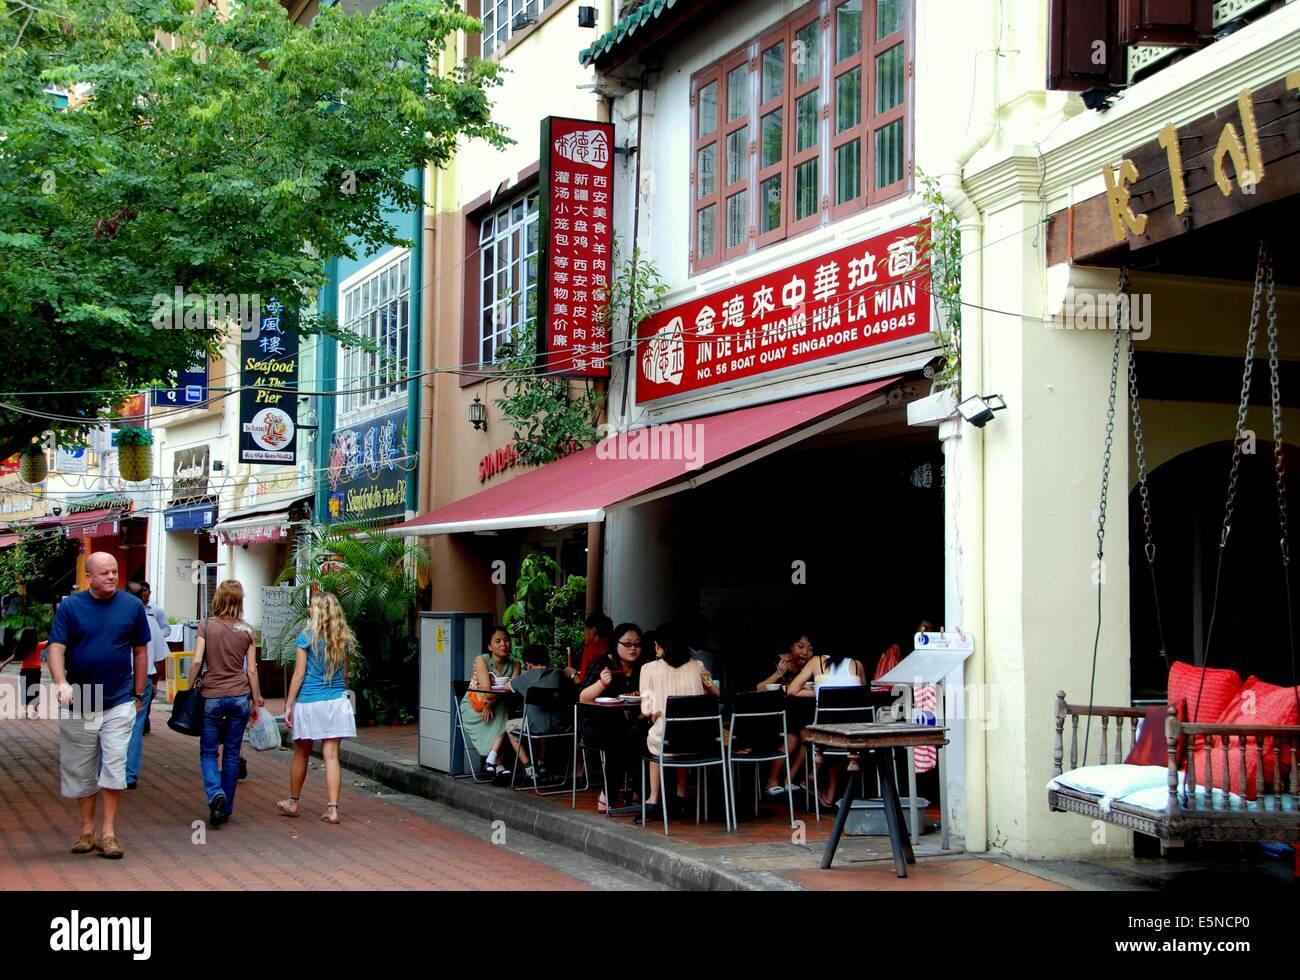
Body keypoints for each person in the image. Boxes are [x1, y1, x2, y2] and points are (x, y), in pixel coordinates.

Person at [46, 552, 151, 859]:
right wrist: (61, 682)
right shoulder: (71, 606)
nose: (111, 577)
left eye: (115, 571)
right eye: (104, 572)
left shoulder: (132, 606)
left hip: (119, 698)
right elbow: (56, 649)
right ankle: (87, 829)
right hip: (82, 697)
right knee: (82, 767)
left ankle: (109, 833)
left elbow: (141, 652)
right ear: (89, 577)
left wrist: (139, 694)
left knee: (115, 764)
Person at [186, 580, 261, 827]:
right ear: (239, 601)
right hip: (240, 697)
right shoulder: (248, 630)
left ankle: (215, 792)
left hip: (212, 696)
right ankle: (225, 808)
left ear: (217, 599)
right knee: (231, 753)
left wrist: (188, 689)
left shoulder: (206, 626)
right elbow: (251, 670)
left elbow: (197, 662)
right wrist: (256, 700)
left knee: (208, 751)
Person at [278, 593, 358, 823]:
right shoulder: (345, 639)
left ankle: (293, 802)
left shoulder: (306, 637)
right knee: (331, 756)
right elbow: (346, 674)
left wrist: (289, 703)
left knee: (301, 752)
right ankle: (333, 809)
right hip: (336, 701)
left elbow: (299, 673)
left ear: (320, 612)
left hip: (310, 701)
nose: (309, 611)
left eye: (312, 607)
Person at [637, 625, 718, 822]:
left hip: (667, 739)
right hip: (698, 739)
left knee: (656, 735)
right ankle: (681, 795)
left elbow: (646, 709)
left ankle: (653, 799)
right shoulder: (698, 666)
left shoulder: (648, 669)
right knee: (681, 733)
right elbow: (715, 694)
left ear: (658, 647)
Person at [787, 644, 869, 809]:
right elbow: (863, 695)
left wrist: (820, 691)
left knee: (828, 733)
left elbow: (792, 690)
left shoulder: (816, 662)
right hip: (852, 732)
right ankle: (829, 794)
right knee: (839, 737)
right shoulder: (857, 664)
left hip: (827, 733)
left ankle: (814, 775)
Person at [579, 622, 643, 813]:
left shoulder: (643, 668)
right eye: (628, 644)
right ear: (616, 643)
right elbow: (583, 697)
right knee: (619, 735)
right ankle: (609, 791)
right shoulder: (602, 664)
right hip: (598, 724)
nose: (633, 649)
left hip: (633, 721)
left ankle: (638, 790)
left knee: (647, 736)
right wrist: (601, 683)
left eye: (637, 644)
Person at [756, 630, 816, 797]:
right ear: (792, 646)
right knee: (792, 740)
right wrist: (778, 674)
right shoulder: (778, 663)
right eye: (800, 646)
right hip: (773, 714)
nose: (805, 652)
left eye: (810, 649)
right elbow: (759, 688)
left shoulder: (810, 667)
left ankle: (790, 779)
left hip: (798, 712)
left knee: (809, 737)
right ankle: (772, 781)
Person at [457, 625, 519, 783]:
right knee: (504, 710)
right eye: (498, 641)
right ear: (490, 646)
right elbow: (486, 691)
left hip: (494, 707)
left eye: (506, 640)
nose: (503, 644)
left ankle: (493, 761)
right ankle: (496, 763)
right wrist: (491, 701)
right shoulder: (481, 660)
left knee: (504, 709)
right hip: (474, 707)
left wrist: (491, 704)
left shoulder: (515, 664)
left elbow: (512, 689)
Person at [505, 644, 575, 784]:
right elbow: (575, 688)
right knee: (545, 720)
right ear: (547, 659)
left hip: (534, 727)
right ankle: (542, 763)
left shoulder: (526, 677)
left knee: (509, 726)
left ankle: (528, 768)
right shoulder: (559, 674)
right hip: (560, 727)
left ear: (528, 664)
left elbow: (508, 686)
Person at [124, 582, 170, 788]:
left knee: (108, 724)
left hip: (119, 679)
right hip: (145, 679)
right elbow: (160, 658)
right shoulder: (150, 623)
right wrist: (154, 680)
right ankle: (129, 775)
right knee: (136, 727)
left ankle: (107, 770)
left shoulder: (117, 620)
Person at [0, 628, 42, 719]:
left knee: (24, 690)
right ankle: (35, 711)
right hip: (35, 672)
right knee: (35, 690)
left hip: (25, 671)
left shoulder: (21, 648)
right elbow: (51, 641)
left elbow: (13, 657)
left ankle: (24, 712)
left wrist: (2, 665)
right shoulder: (38, 646)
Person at [577, 612, 613, 679]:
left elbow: (582, 681)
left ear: (593, 631)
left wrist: (572, 674)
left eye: (585, 629)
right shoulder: (615, 647)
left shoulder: (591, 649)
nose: (583, 634)